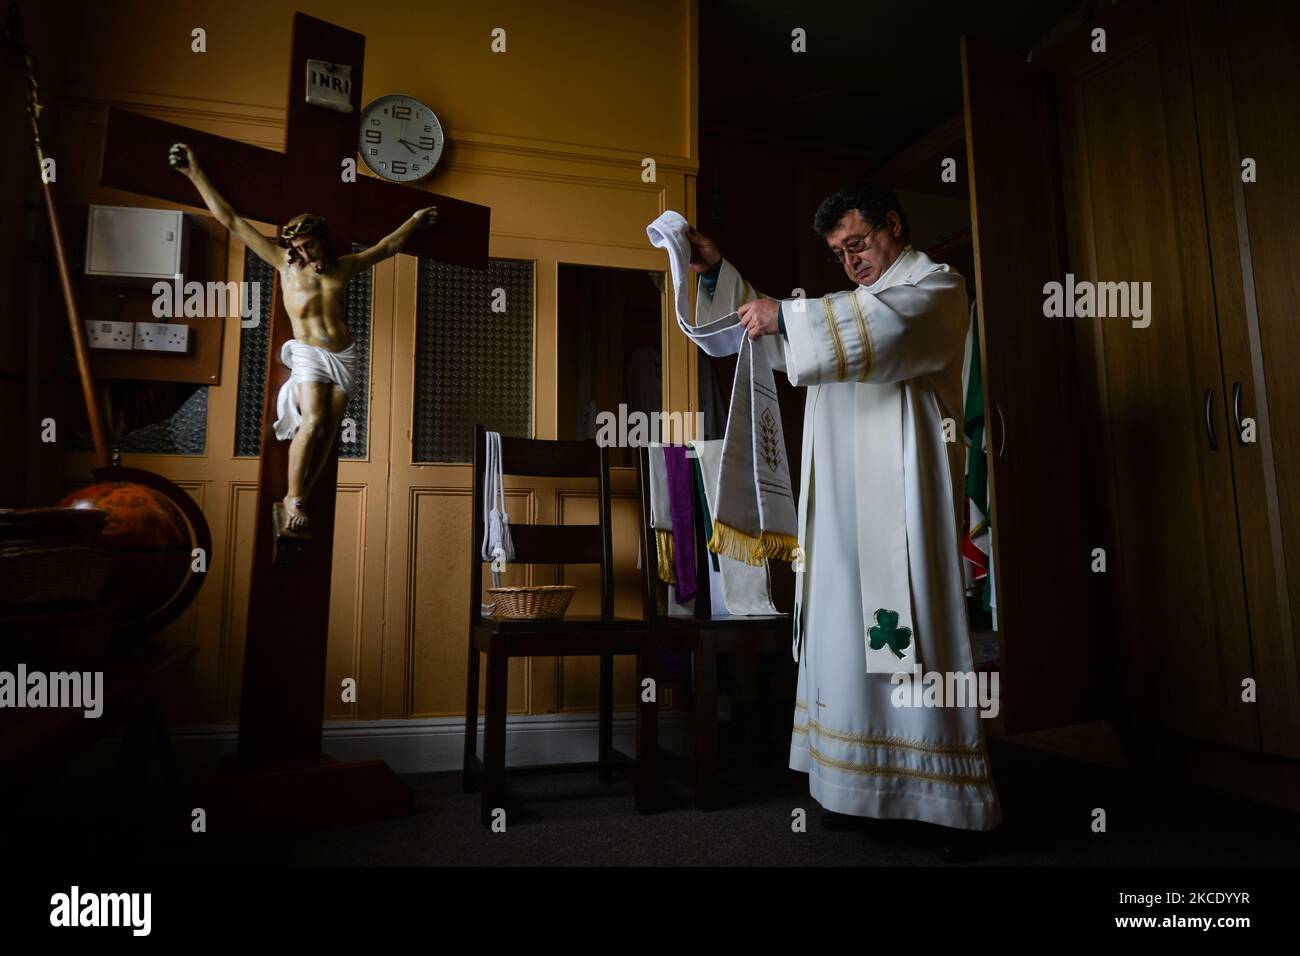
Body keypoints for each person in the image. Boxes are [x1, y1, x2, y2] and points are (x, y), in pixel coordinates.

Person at [687, 183, 1001, 860]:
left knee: (911, 645)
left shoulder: (938, 289)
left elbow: (874, 329)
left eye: (858, 242)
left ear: (894, 224)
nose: (851, 260)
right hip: (838, 513)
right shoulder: (844, 309)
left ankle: (934, 799)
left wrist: (788, 317)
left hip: (903, 507)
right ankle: (856, 791)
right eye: (838, 253)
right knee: (839, 641)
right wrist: (720, 276)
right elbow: (784, 341)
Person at [168, 142, 436, 533]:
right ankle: (293, 495)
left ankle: (303, 494)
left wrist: (414, 220)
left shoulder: (344, 267)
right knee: (311, 421)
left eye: (309, 245)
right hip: (310, 354)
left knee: (329, 427)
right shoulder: (285, 266)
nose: (304, 253)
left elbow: (387, 246)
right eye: (297, 248)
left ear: (322, 239)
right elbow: (232, 220)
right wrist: (193, 172)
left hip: (344, 353)